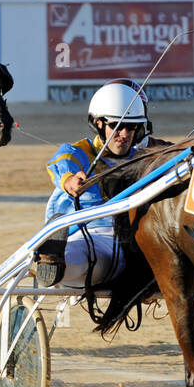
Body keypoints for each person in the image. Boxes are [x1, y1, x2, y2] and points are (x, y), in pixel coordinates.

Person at [36, 79, 155, 288]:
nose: (125, 134)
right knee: (87, 255)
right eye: (116, 126)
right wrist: (69, 181)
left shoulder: (145, 158)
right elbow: (62, 162)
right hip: (85, 235)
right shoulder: (78, 153)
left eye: (132, 127)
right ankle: (51, 261)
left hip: (133, 241)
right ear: (98, 123)